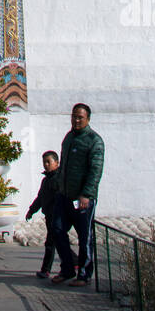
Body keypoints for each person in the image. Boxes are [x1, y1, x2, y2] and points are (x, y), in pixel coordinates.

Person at [52, 103, 104, 287]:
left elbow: (95, 171)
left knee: (85, 237)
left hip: (82, 199)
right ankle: (67, 268)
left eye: (80, 117)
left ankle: (84, 273)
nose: (76, 120)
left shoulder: (94, 141)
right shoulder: (69, 137)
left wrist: (86, 194)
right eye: (74, 116)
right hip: (64, 195)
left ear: (87, 119)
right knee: (57, 229)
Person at [26, 150, 60, 278]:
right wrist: (31, 210)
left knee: (51, 243)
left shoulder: (59, 180)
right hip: (49, 216)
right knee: (58, 242)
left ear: (57, 163)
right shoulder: (45, 181)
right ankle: (74, 262)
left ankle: (46, 269)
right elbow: (40, 198)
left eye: (48, 162)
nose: (46, 165)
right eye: (44, 162)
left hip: (57, 216)